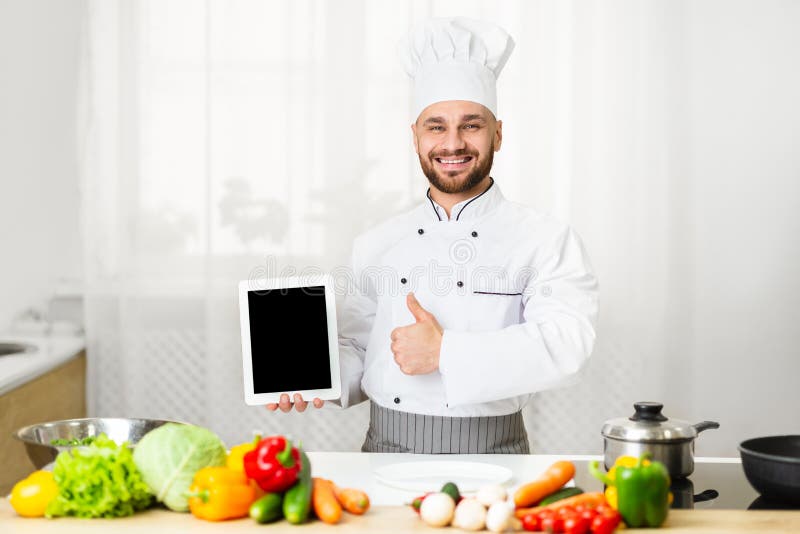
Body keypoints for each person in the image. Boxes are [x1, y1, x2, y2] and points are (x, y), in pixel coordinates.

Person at [267, 17, 598, 454]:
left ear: (498, 134)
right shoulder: (377, 243)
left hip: (495, 455)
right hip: (384, 451)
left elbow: (566, 343)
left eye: (472, 125)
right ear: (416, 137)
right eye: (436, 126)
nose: (453, 143)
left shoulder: (545, 239)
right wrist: (310, 377)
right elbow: (362, 348)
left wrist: (447, 353)